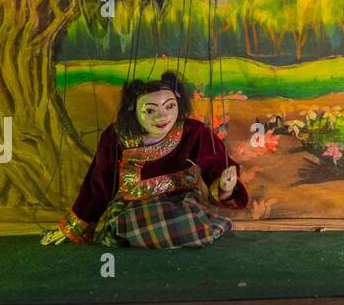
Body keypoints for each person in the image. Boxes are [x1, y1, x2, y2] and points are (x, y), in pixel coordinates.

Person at [40, 71, 247, 248]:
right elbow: (98, 183)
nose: (162, 117)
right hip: (133, 209)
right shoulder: (116, 136)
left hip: (180, 203)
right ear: (133, 110)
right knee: (136, 224)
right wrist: (75, 226)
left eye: (169, 107)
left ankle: (182, 230)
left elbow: (217, 164)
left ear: (179, 104)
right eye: (150, 110)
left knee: (186, 221)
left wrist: (225, 187)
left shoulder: (192, 131)